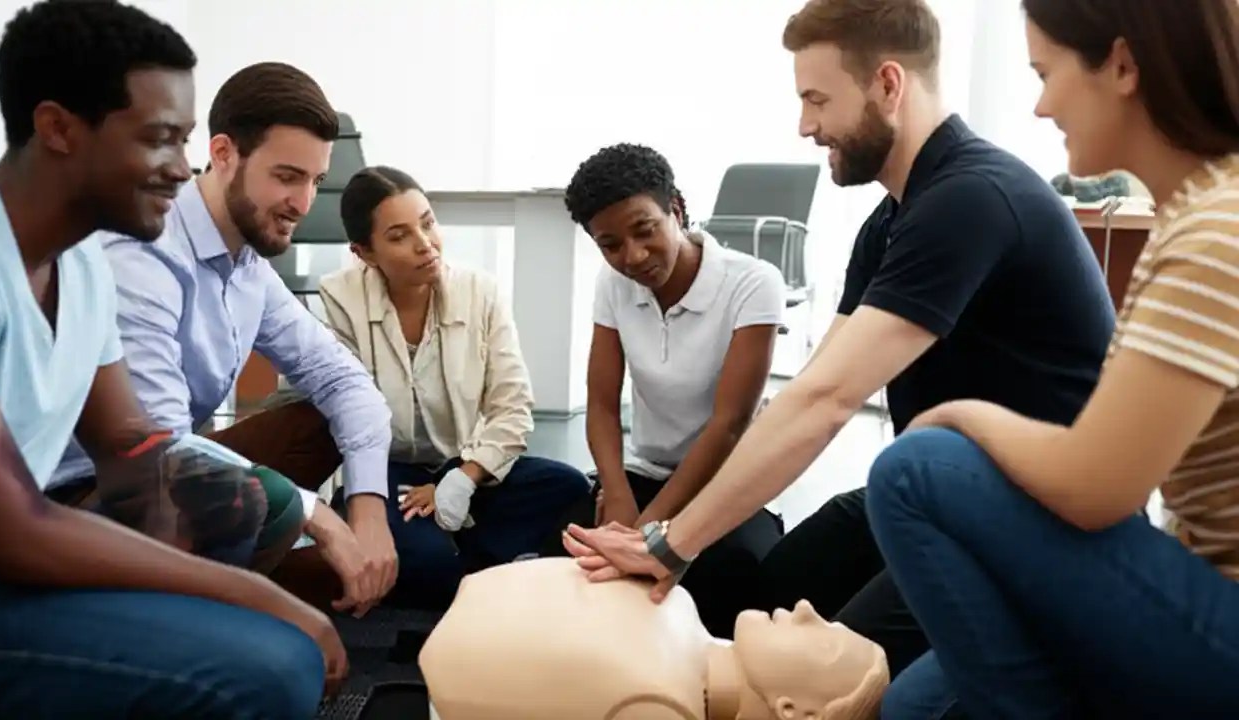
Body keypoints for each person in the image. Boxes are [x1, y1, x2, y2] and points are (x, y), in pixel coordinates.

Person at [561, 0, 1115, 676]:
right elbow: (813, 392)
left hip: (1029, 525)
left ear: (888, 85)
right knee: (761, 597)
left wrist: (671, 543)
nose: (806, 126)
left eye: (817, 100)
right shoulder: (890, 224)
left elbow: (826, 400)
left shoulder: (970, 199)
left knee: (819, 678)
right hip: (941, 493)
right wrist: (674, 539)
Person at [0, 2, 343, 717]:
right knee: (267, 672)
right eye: (160, 140)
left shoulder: (82, 262)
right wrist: (249, 594)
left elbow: (132, 446)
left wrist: (214, 593)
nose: (180, 169)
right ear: (59, 129)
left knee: (226, 514)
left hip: (4, 561)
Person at [864, 1, 1239, 717]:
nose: (1038, 106)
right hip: (1197, 575)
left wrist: (960, 414)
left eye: (1046, 73)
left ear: (1123, 65)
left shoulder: (1216, 232)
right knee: (913, 706)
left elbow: (1099, 486)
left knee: (915, 470)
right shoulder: (1198, 216)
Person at [50, 61, 397, 617]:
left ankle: (252, 591)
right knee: (285, 523)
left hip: (167, 476)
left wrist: (368, 512)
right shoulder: (142, 247)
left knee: (317, 424)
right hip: (81, 496)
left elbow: (345, 381)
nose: (304, 203)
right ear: (223, 153)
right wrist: (318, 515)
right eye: (287, 177)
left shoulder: (247, 266)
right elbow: (155, 446)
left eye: (316, 181)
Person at [315, 165, 590, 608]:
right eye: (400, 236)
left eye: (427, 223)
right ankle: (491, 568)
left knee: (570, 486)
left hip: (467, 467)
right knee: (429, 559)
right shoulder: (341, 301)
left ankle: (462, 559)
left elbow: (512, 405)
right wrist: (420, 494)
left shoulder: (480, 292)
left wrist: (462, 478)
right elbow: (347, 413)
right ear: (365, 252)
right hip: (390, 475)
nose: (425, 245)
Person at [546, 142, 789, 639]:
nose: (632, 257)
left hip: (726, 481)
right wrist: (616, 494)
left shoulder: (752, 283)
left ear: (675, 209)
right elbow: (600, 404)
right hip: (644, 474)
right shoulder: (613, 286)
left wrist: (648, 531)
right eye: (610, 245)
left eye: (645, 230)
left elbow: (729, 426)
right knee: (570, 552)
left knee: (736, 573)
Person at [420, 557, 888, 720]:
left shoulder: (661, 704)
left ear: (791, 709)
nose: (808, 610)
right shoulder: (687, 631)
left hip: (450, 673)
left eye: (824, 639)